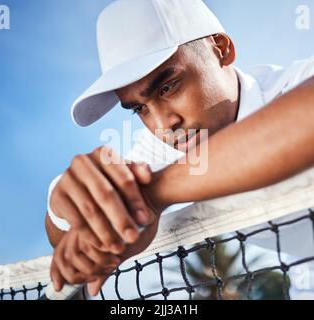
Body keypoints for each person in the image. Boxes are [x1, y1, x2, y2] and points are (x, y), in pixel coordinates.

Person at [45, 0, 314, 297]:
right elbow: (74, 235)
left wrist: (153, 194)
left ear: (221, 49)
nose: (163, 124)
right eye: (139, 109)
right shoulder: (172, 143)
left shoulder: (296, 83)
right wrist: (62, 202)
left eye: (167, 87)